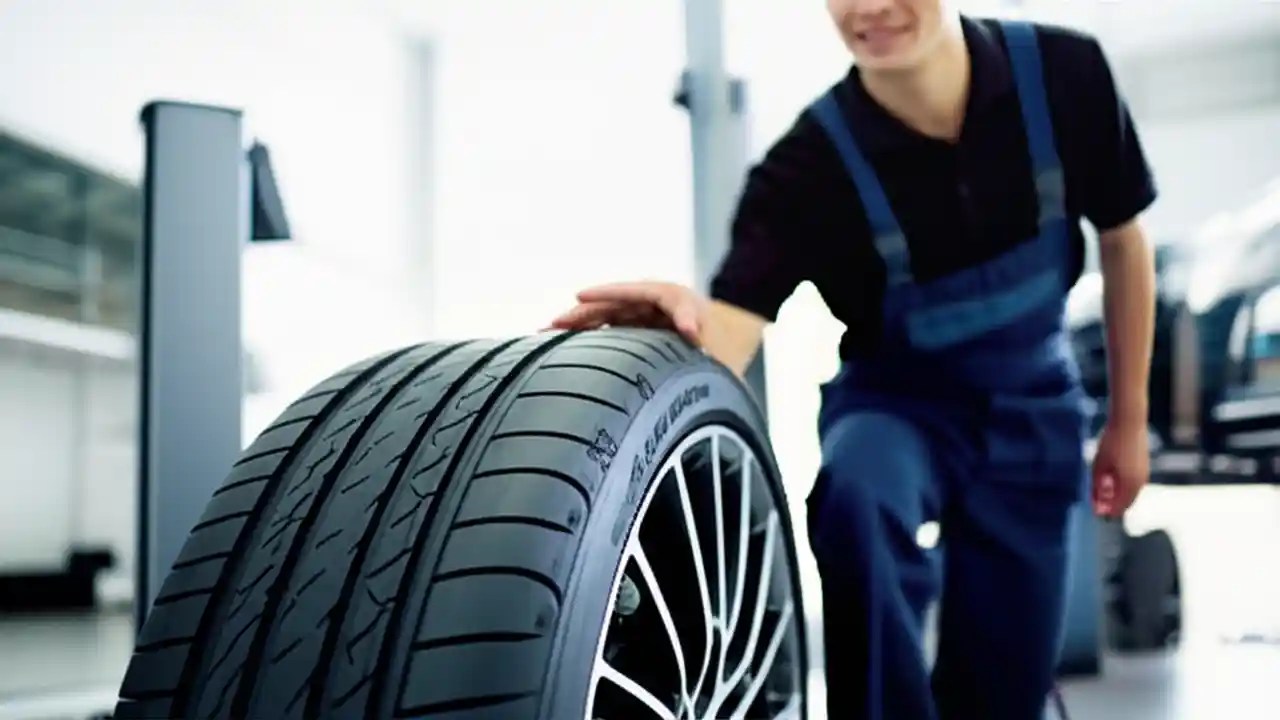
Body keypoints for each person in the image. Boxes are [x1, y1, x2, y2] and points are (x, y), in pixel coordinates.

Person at [552, 1, 1157, 717]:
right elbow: (727, 340)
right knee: (858, 497)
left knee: (1005, 687)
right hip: (896, 406)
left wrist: (1128, 421)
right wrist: (678, 327)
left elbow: (1124, 243)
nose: (868, 8)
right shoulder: (803, 170)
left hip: (1034, 408)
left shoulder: (1066, 74)